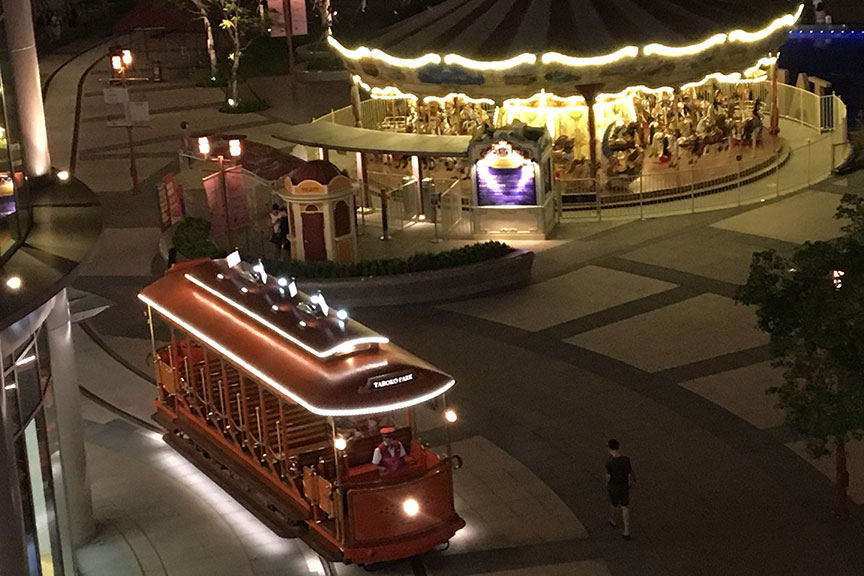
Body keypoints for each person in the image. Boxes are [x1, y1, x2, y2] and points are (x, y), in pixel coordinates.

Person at [606, 438, 635, 540]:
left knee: (614, 504)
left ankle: (612, 519)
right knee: (625, 507)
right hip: (624, 486)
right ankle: (626, 531)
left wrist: (607, 484)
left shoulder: (610, 463)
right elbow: (630, 474)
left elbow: (608, 477)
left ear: (609, 449)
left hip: (614, 486)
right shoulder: (626, 460)